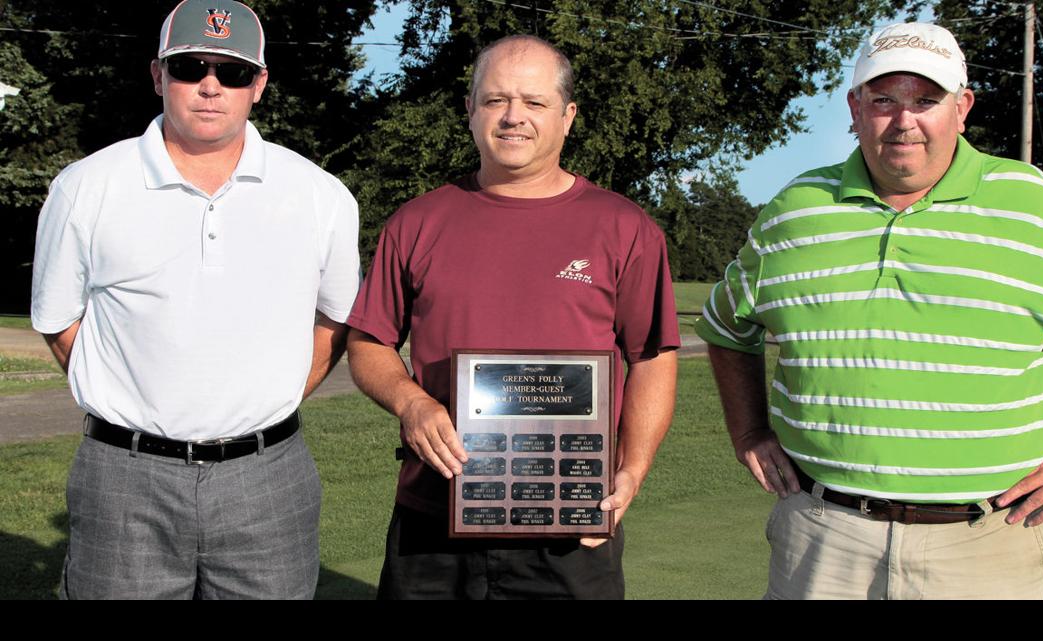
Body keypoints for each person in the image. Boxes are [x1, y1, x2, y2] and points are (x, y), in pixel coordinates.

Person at [698, 22, 1043, 600]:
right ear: (854, 107)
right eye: (883, 100)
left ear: (963, 107)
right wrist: (750, 430)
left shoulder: (1038, 207)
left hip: (986, 541)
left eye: (926, 101)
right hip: (824, 536)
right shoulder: (796, 211)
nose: (904, 121)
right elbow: (727, 328)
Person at [29, 0, 361, 599]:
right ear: (158, 75)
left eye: (232, 72)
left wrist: (269, 398)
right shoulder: (86, 186)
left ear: (258, 84)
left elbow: (335, 319)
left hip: (268, 476)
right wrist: (139, 402)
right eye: (189, 67)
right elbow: (59, 322)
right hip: (123, 478)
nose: (210, 86)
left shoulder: (320, 194)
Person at [346, 35, 679, 600]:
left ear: (568, 117)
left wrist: (634, 468)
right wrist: (412, 403)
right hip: (434, 514)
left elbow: (651, 356)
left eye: (534, 102)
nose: (513, 117)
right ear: (471, 112)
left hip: (571, 522)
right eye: (495, 99)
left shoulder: (625, 227)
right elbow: (369, 342)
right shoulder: (418, 221)